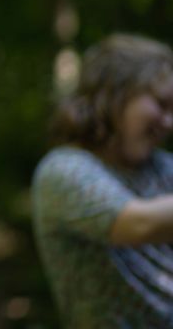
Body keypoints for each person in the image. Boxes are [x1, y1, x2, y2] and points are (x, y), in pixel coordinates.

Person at [32, 33, 173, 328]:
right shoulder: (64, 169)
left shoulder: (160, 166)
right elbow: (139, 223)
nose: (168, 121)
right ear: (115, 94)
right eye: (161, 103)